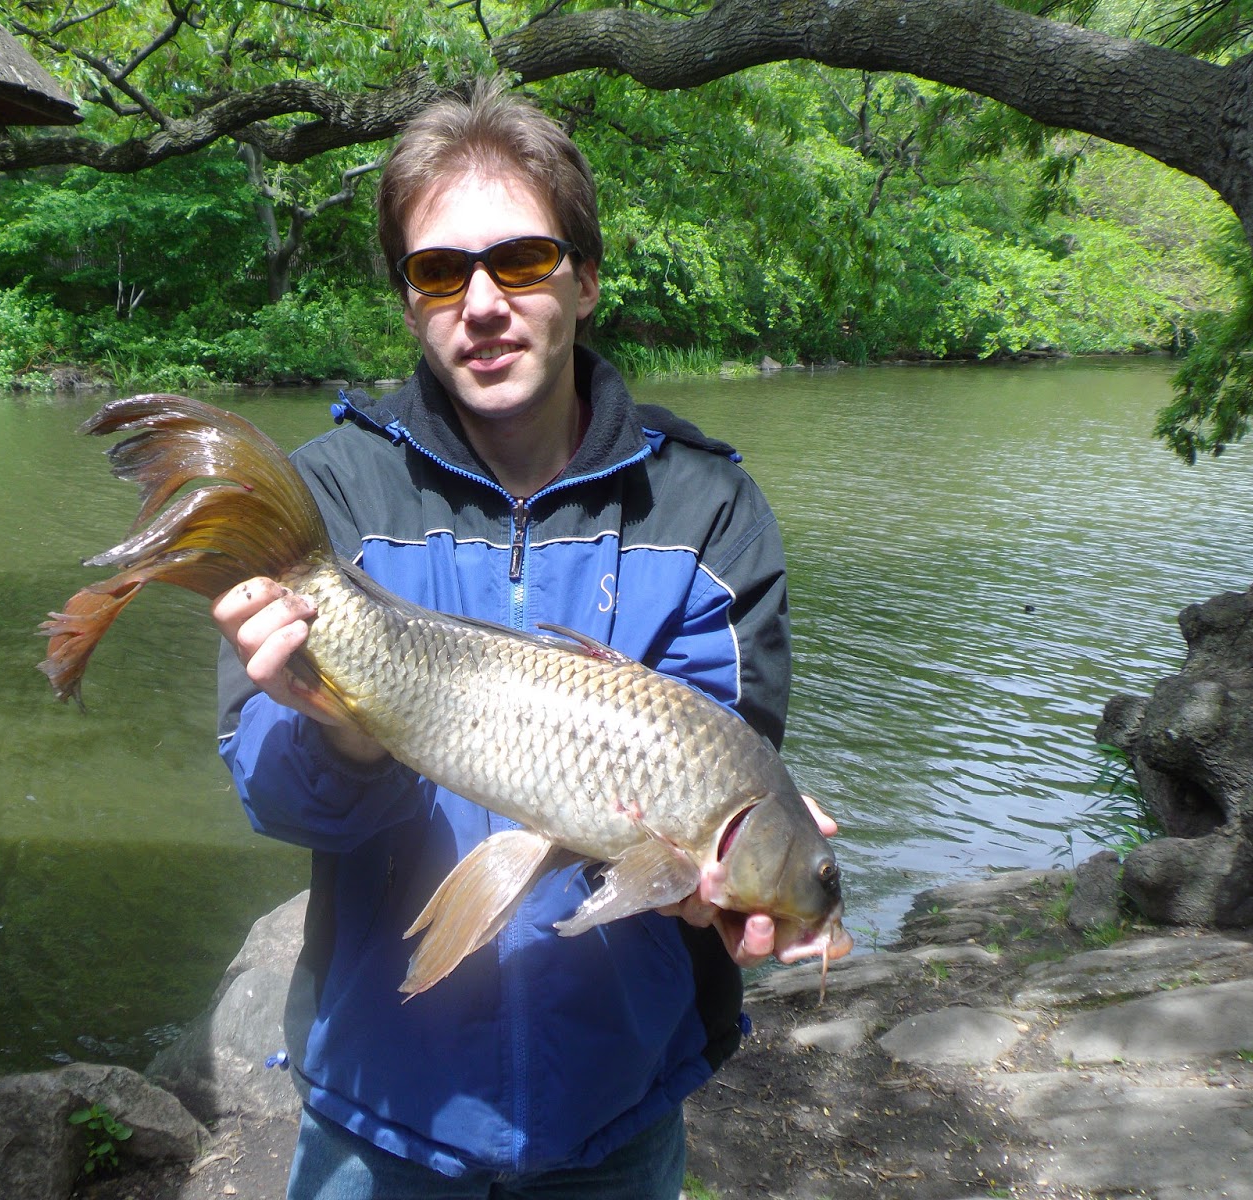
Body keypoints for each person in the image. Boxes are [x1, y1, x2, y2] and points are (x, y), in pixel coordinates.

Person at [213, 79, 830, 1199]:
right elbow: (269, 796)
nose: (482, 300)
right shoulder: (322, 500)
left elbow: (724, 746)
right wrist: (343, 739)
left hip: (613, 1108)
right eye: (440, 272)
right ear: (409, 303)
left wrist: (712, 874)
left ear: (585, 279)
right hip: (377, 1112)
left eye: (524, 261)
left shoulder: (705, 511)